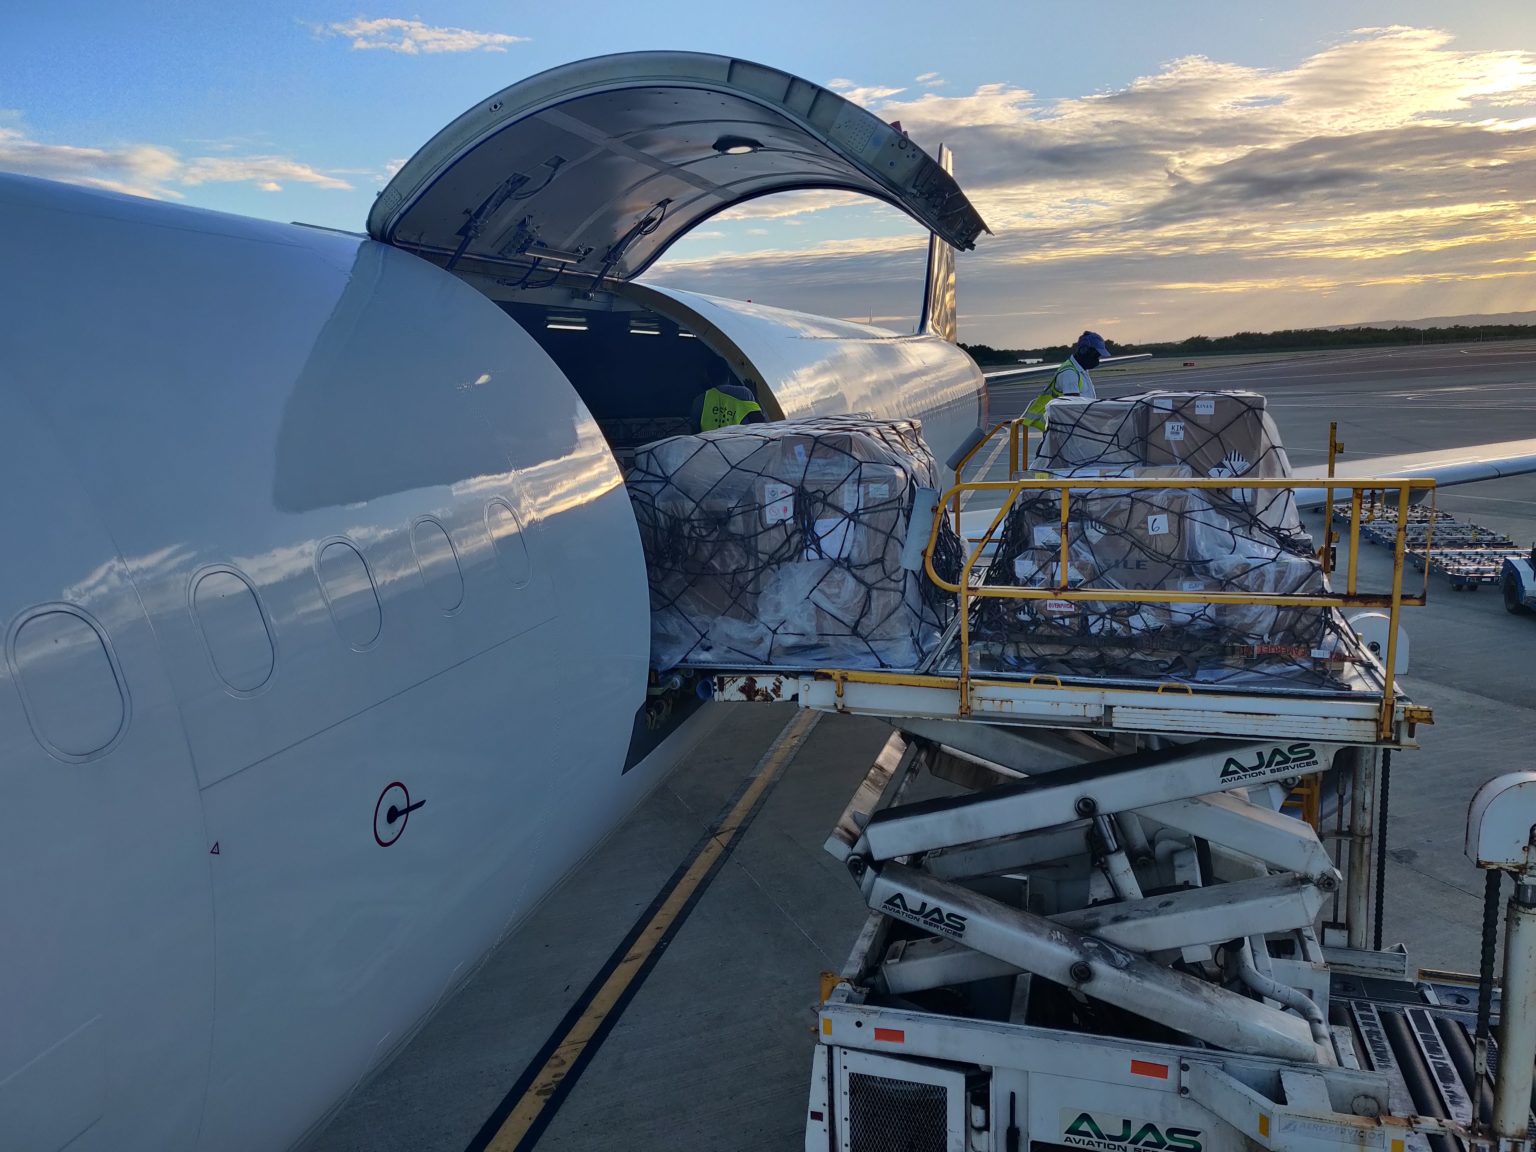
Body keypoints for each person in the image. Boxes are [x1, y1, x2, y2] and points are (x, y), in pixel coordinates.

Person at [1021, 330, 1109, 431]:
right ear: (1084, 351)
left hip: (1064, 426)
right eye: (1096, 355)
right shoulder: (1069, 373)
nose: (1097, 360)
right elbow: (1073, 409)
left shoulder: (1080, 370)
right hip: (1056, 428)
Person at [690, 370, 765, 432]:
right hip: (740, 444)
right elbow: (760, 424)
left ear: (707, 377)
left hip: (710, 445)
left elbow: (695, 432)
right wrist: (755, 397)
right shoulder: (744, 393)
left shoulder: (699, 401)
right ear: (728, 374)